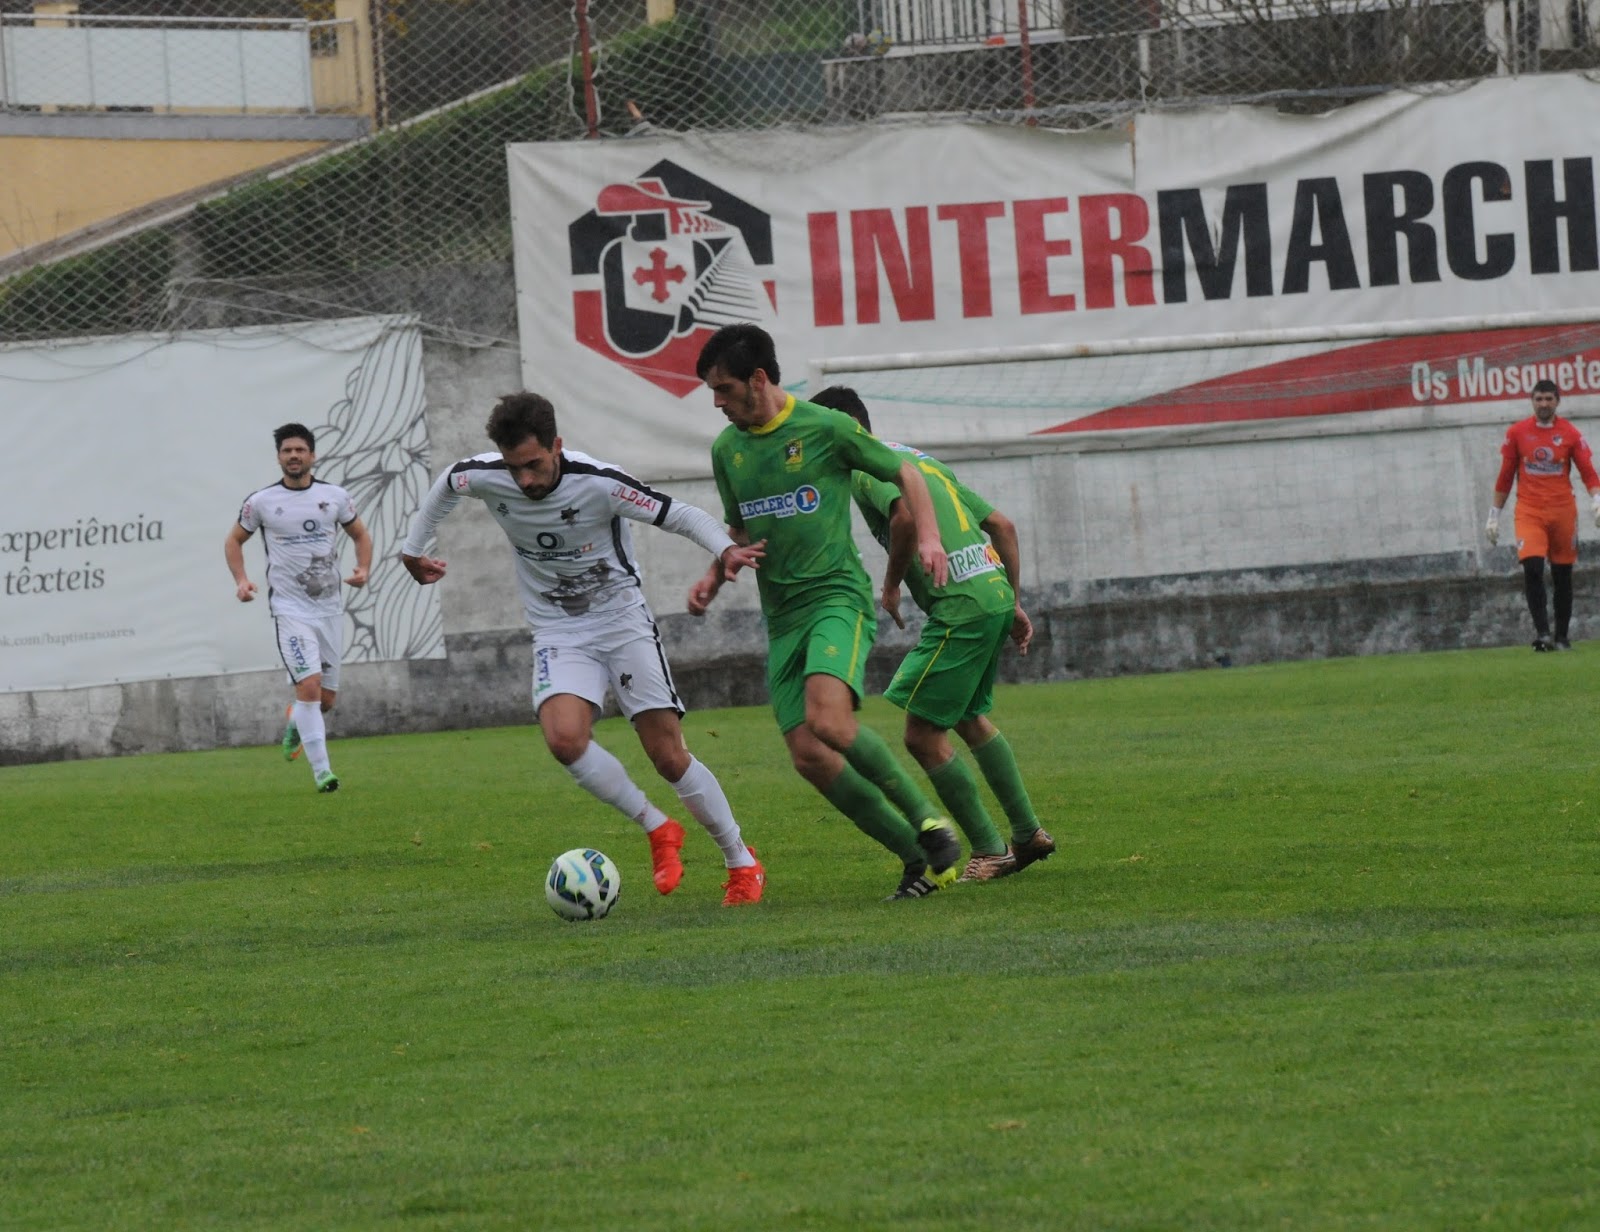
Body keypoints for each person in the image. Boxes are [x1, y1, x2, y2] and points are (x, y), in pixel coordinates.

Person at [398, 391, 766, 906]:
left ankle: (740, 861)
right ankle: (659, 829)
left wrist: (724, 548)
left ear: (557, 446)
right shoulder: (485, 475)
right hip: (559, 631)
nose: (524, 480)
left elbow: (677, 513)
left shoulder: (600, 483)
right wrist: (414, 550)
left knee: (667, 756)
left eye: (533, 465)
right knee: (565, 740)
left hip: (622, 624)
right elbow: (446, 485)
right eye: (514, 468)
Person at [689, 322, 966, 901]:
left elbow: (906, 473)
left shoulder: (825, 427)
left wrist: (930, 538)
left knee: (830, 722)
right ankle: (915, 859)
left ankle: (931, 824)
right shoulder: (728, 450)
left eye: (724, 389)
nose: (716, 402)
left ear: (758, 380)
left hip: (835, 599)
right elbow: (738, 527)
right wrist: (716, 571)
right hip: (782, 619)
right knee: (810, 756)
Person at [810, 386, 1055, 881]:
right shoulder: (918, 459)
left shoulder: (865, 469)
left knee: (921, 735)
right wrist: (1011, 600)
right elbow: (1002, 525)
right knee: (969, 719)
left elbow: (902, 517)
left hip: (960, 609)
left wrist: (892, 583)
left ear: (840, 429)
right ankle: (1027, 834)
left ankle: (990, 850)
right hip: (989, 594)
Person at [225, 422, 373, 793]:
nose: (294, 456)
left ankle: (296, 721)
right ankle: (322, 772)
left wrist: (363, 568)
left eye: (300, 450)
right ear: (279, 457)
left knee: (324, 700)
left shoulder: (335, 496)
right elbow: (233, 541)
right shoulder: (261, 502)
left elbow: (360, 534)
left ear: (312, 455)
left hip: (328, 609)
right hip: (290, 610)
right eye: (287, 451)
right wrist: (241, 581)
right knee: (308, 685)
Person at [1486, 379, 1600, 651]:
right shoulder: (1517, 433)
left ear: (1557, 401)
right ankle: (1543, 634)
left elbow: (1587, 470)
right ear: (1532, 401)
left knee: (1562, 575)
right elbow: (1505, 476)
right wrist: (1493, 515)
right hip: (1530, 511)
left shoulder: (1570, 433)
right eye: (1539, 399)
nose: (1544, 404)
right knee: (1533, 567)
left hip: (1562, 511)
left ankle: (1561, 637)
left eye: (1549, 399)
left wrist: (1597, 499)